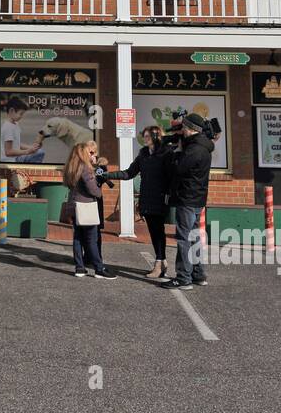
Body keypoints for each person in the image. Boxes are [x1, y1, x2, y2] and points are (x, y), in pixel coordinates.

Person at [100, 125, 170, 278]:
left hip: (160, 198)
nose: (145, 139)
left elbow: (171, 176)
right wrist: (107, 175)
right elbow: (128, 173)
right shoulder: (143, 155)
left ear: (157, 137)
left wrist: (169, 195)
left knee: (159, 231)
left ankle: (159, 263)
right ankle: (161, 261)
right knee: (153, 230)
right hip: (146, 197)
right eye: (144, 136)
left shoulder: (166, 153)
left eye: (147, 136)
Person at [161, 112, 214, 290]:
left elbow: (178, 168)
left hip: (187, 199)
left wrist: (174, 153)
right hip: (198, 198)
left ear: (190, 129)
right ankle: (198, 275)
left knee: (184, 239)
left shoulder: (193, 149)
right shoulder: (204, 146)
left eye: (184, 127)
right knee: (195, 237)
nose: (181, 130)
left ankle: (183, 277)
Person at [63, 140, 116, 279]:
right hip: (85, 206)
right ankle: (99, 268)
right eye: (89, 152)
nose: (91, 154)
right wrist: (98, 190)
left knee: (77, 238)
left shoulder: (71, 167)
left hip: (73, 205)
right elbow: (94, 190)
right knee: (92, 238)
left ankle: (79, 268)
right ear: (83, 153)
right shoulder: (85, 168)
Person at [0, 95, 45, 163]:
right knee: (40, 153)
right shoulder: (8, 128)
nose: (21, 116)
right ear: (11, 111)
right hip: (11, 159)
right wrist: (27, 152)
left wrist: (31, 148)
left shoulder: (15, 124)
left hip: (16, 157)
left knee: (40, 151)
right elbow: (8, 152)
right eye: (21, 114)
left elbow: (17, 144)